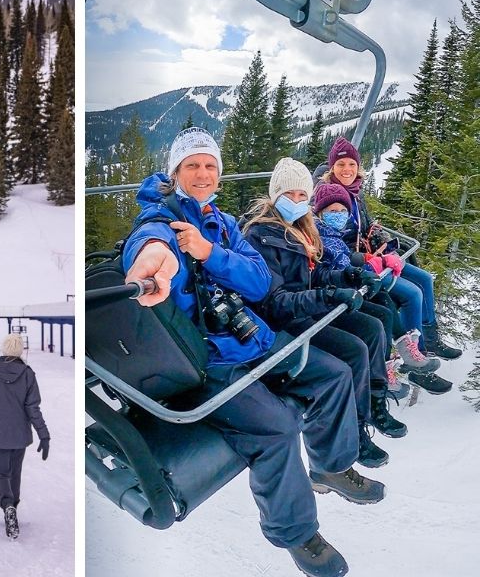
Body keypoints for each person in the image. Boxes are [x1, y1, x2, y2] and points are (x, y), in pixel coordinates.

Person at [124, 127, 384, 577]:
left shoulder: (220, 224)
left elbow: (259, 280)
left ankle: (331, 466)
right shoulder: (160, 222)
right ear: (176, 173)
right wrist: (151, 259)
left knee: (334, 374)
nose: (203, 173)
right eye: (192, 165)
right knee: (278, 429)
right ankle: (296, 533)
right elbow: (149, 246)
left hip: (252, 337)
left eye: (210, 165)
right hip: (208, 357)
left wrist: (209, 254)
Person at [243, 158, 407, 447]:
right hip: (289, 318)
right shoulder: (261, 236)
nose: (295, 201)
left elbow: (313, 272)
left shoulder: (300, 228)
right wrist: (329, 295)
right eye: (288, 194)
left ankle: (376, 404)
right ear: (274, 196)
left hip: (308, 306)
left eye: (301, 195)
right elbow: (275, 302)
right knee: (354, 350)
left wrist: (349, 276)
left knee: (372, 328)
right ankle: (356, 430)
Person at [315, 137, 461, 375]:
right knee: (412, 293)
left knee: (423, 278)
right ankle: (419, 356)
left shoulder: (355, 194)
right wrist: (371, 259)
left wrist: (387, 247)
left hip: (371, 254)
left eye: (352, 164)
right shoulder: (326, 196)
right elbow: (333, 244)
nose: (347, 170)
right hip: (359, 262)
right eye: (341, 165)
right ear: (332, 168)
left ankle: (431, 339)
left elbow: (370, 226)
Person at [312, 183, 441, 394]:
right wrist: (373, 263)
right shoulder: (323, 234)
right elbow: (340, 263)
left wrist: (372, 255)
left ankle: (409, 349)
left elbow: (351, 249)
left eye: (343, 211)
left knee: (388, 300)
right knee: (387, 310)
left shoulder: (345, 218)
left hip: (350, 278)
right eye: (332, 212)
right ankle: (386, 370)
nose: (339, 215)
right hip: (336, 289)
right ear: (320, 212)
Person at [0, 333, 50, 540]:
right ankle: (13, 507)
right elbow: (33, 408)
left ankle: (7, 505)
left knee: (2, 474)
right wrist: (43, 435)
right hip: (19, 435)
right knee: (15, 473)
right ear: (20, 351)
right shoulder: (27, 374)